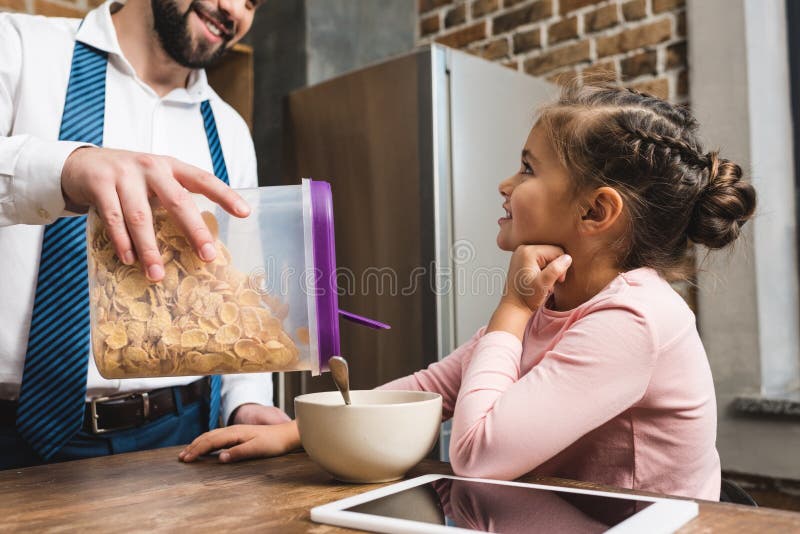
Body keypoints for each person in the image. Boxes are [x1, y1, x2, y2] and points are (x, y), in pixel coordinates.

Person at [179, 83, 757, 501]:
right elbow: (436, 386)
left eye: (529, 169)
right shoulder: (555, 299)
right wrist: (295, 432)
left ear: (594, 210)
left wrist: (509, 307)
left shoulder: (634, 319)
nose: (507, 184)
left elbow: (478, 457)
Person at [0, 0, 290, 470]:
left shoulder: (231, 131)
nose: (233, 9)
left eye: (253, 2)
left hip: (182, 436)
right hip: (13, 435)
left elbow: (240, 290)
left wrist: (246, 400)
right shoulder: (18, 47)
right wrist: (65, 169)